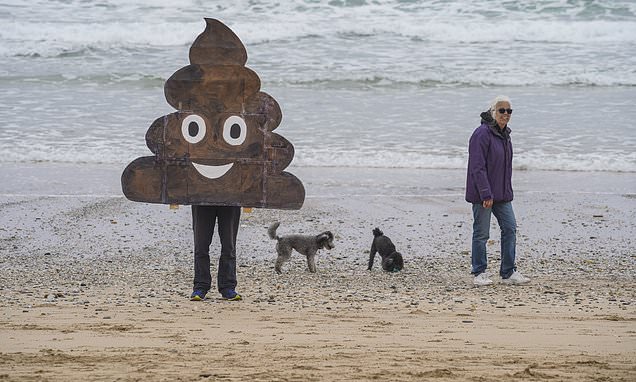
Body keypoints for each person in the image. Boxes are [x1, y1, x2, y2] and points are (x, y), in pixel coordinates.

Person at [465, 95, 530, 287]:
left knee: (510, 228)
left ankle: (508, 272)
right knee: (481, 233)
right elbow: (478, 167)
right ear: (493, 111)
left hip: (502, 195)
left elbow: (504, 168)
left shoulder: (505, 135)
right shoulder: (481, 134)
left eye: (509, 111)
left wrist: (506, 191)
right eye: (502, 110)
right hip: (483, 195)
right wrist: (486, 193)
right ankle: (479, 272)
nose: (506, 114)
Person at [190, 205, 243, 301]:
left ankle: (228, 287)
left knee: (229, 247)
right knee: (201, 246)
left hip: (231, 200)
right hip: (201, 200)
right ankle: (200, 286)